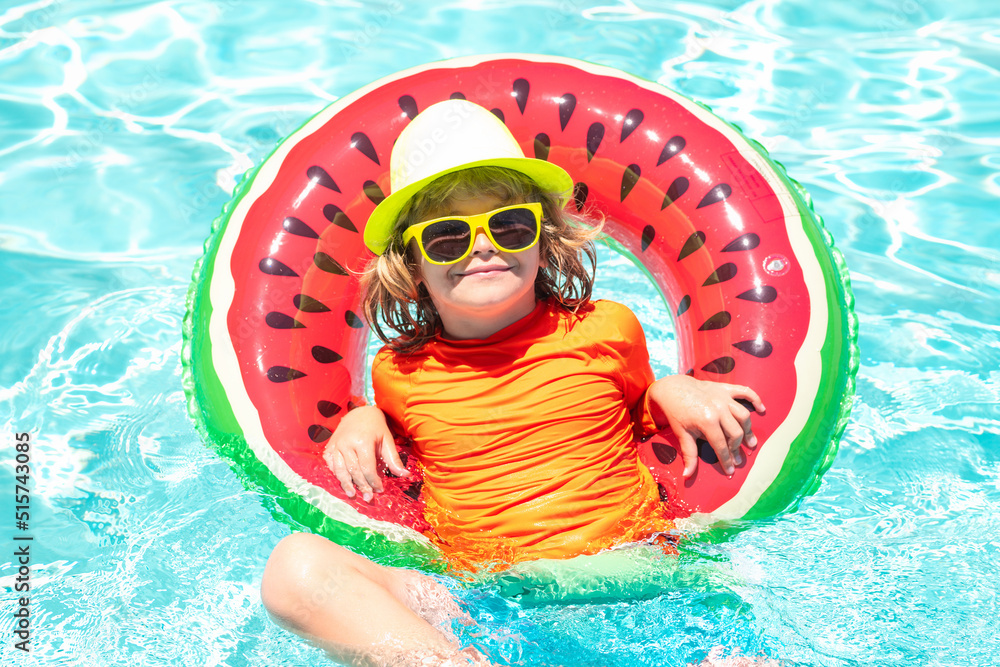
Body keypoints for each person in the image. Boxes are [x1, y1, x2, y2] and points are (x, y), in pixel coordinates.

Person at [259, 99, 765, 666]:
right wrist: (362, 413)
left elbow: (641, 427)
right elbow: (408, 467)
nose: (482, 246)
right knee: (295, 570)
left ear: (543, 238)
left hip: (636, 578)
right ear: (411, 264)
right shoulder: (397, 374)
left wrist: (675, 389)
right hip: (490, 604)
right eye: (447, 238)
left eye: (509, 226)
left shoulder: (607, 327)